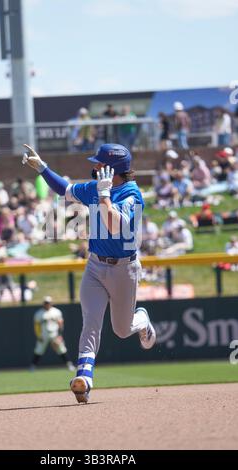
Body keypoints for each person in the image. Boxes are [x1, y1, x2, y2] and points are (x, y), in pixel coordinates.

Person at [22, 142, 156, 404]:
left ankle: (141, 319)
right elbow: (66, 190)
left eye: (99, 163)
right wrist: (42, 168)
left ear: (112, 168)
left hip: (123, 269)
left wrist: (105, 197)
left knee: (121, 329)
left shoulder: (132, 194)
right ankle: (84, 377)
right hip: (95, 265)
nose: (94, 166)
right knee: (91, 322)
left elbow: (116, 227)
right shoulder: (96, 187)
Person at [31, 296, 75, 371]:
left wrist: (60, 335)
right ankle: (33, 366)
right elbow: (37, 326)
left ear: (51, 303)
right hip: (43, 334)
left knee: (61, 349)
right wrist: (38, 336)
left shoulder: (56, 312)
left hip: (55, 334)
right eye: (46, 303)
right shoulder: (39, 313)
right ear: (43, 303)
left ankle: (69, 365)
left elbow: (60, 324)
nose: (47, 304)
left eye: (48, 303)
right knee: (39, 350)